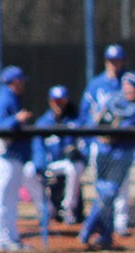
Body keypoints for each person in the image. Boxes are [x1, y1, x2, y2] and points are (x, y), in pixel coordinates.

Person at [78, 71, 135, 250]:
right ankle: (106, 235)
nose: (127, 89)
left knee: (109, 193)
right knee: (102, 191)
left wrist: (116, 127)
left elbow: (134, 121)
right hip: (103, 150)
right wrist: (102, 128)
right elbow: (98, 119)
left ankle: (87, 230)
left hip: (122, 154)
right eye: (125, 85)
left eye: (131, 86)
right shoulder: (114, 99)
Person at [0, 65, 46, 253]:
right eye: (21, 81)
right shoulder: (3, 100)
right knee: (3, 199)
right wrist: (16, 120)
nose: (24, 85)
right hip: (4, 157)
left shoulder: (13, 99)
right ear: (15, 81)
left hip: (14, 157)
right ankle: (1, 240)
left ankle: (11, 239)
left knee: (11, 200)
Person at [80, 44, 132, 235]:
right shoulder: (96, 84)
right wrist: (94, 129)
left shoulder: (128, 82)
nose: (114, 65)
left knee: (122, 186)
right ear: (105, 62)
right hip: (100, 143)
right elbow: (84, 114)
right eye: (111, 61)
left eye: (117, 60)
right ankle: (104, 224)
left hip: (121, 145)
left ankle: (120, 225)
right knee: (101, 186)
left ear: (123, 61)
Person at [31, 85, 87, 224]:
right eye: (56, 101)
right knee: (28, 171)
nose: (59, 104)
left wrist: (77, 151)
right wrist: (40, 165)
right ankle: (46, 209)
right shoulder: (43, 122)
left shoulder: (75, 119)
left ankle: (68, 209)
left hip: (69, 163)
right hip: (50, 164)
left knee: (74, 167)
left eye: (61, 101)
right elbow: (38, 147)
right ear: (50, 102)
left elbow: (85, 143)